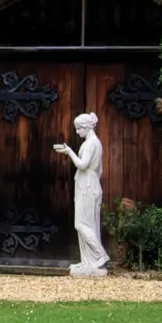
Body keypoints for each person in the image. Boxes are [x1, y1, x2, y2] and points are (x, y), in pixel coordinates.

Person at [54, 111, 109, 276]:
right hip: (90, 183)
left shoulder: (91, 144)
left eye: (79, 129)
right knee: (89, 224)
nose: (77, 132)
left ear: (87, 127)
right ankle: (89, 262)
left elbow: (83, 165)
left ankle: (100, 255)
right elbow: (100, 170)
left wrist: (69, 152)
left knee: (81, 223)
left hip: (87, 185)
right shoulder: (95, 143)